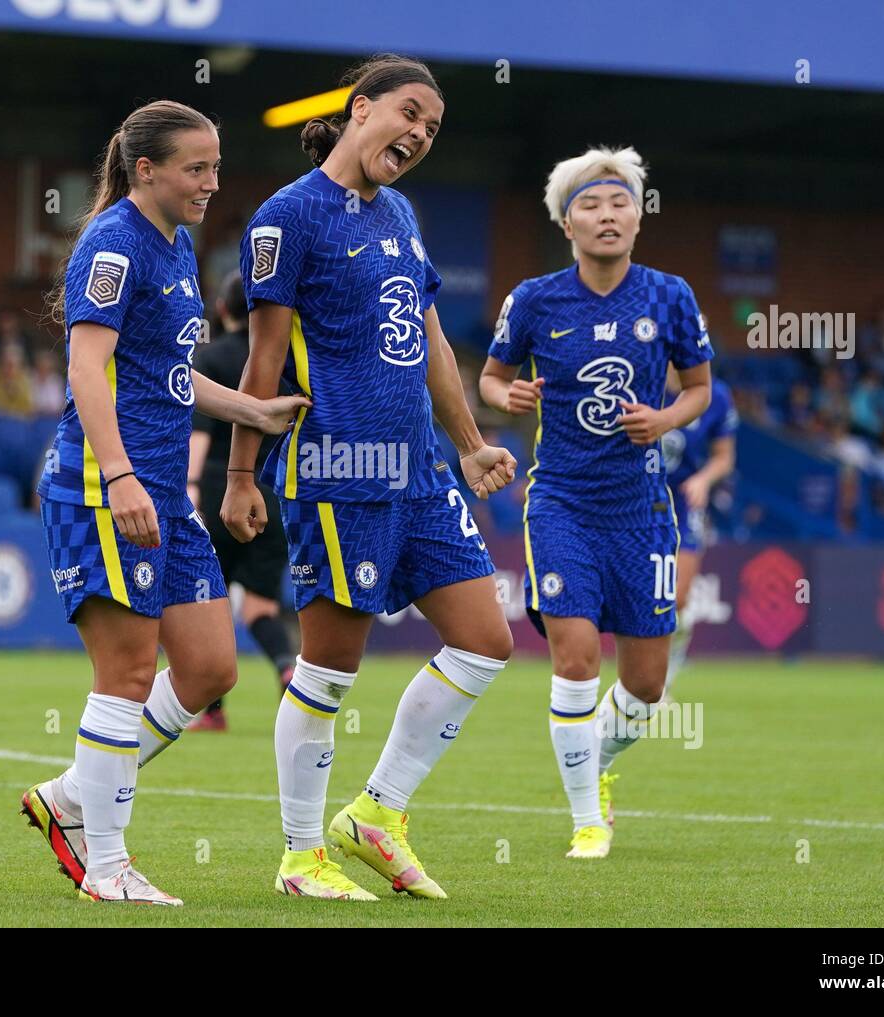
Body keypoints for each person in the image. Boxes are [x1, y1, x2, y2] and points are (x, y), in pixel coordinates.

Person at [224, 55, 517, 901]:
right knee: (330, 666)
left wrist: (467, 443)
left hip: (422, 470)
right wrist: (243, 473)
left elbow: (428, 340)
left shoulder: (399, 213)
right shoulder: (288, 217)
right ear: (360, 110)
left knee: (486, 640)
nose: (421, 133)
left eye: (434, 126)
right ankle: (300, 854)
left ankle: (377, 813)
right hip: (337, 465)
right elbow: (265, 359)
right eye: (410, 113)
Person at [20, 100, 308, 906]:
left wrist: (251, 410)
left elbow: (171, 374)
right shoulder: (113, 242)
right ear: (145, 169)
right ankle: (106, 865)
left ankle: (72, 795)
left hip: (160, 497)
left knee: (212, 667)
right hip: (103, 486)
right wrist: (118, 476)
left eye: (216, 167)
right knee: (127, 671)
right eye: (196, 168)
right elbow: (86, 369)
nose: (212, 183)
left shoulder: (177, 246)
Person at [478, 146, 713, 860]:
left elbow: (699, 390)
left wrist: (664, 419)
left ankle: (598, 768)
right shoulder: (535, 298)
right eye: (590, 204)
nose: (607, 215)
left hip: (642, 510)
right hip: (561, 503)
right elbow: (491, 378)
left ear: (638, 217)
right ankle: (587, 820)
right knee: (575, 659)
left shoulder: (669, 294)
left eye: (619, 203)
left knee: (645, 686)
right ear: (566, 221)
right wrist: (506, 395)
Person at [186, 271, 295, 732]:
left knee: (206, 602)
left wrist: (190, 486)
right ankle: (289, 666)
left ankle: (211, 710)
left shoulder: (207, 359)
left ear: (223, 311)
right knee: (261, 609)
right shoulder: (281, 361)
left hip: (221, 490)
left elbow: (200, 433)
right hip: (275, 493)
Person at [660, 365, 737, 697]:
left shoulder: (714, 394)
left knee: (677, 598)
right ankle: (638, 679)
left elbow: (724, 457)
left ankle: (664, 680)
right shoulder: (638, 378)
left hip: (684, 502)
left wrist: (703, 480)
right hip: (638, 497)